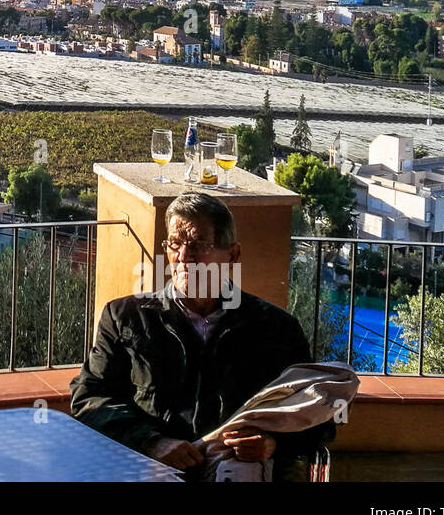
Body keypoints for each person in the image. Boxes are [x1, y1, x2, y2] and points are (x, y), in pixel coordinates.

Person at [70, 192, 332, 480]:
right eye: (175, 244)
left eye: (198, 245)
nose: (184, 257)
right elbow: (90, 397)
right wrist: (150, 441)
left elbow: (319, 415)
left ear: (232, 255)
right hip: (151, 470)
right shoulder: (126, 317)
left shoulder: (274, 328)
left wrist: (274, 442)